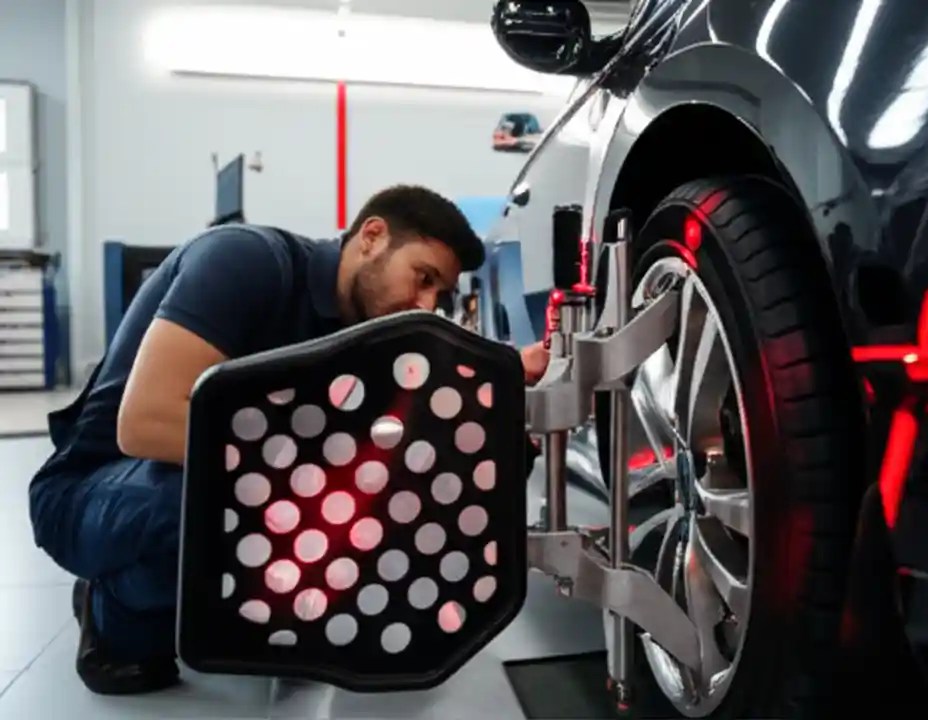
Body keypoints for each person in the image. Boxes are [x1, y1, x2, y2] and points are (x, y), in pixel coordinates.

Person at [26, 184, 551, 695]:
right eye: (423, 277)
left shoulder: (368, 328)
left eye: (439, 292)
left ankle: (217, 606)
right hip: (96, 486)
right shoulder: (245, 261)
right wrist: (320, 483)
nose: (426, 306)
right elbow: (144, 424)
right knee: (202, 516)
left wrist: (499, 383)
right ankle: (108, 606)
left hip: (225, 486)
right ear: (371, 236)